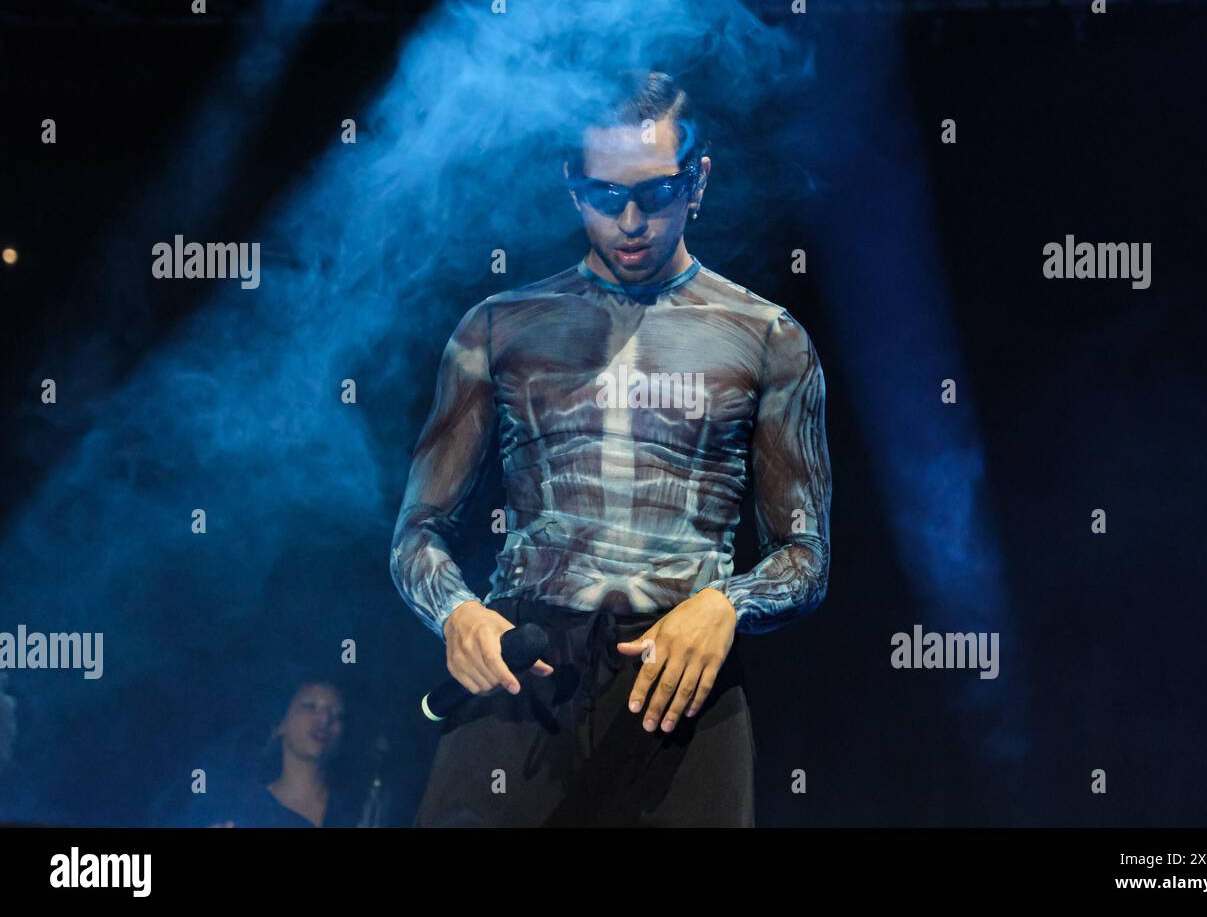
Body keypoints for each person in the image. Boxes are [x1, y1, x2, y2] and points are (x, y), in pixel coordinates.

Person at [390, 70, 831, 826]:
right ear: (571, 185)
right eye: (605, 195)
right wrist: (458, 614)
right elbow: (416, 533)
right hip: (526, 669)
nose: (630, 220)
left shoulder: (768, 338)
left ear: (698, 180)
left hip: (681, 680)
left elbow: (807, 555)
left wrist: (728, 602)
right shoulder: (498, 328)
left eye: (655, 194)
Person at [211, 676, 360, 828]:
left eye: (336, 714)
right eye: (310, 707)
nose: (325, 718)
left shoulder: (359, 808)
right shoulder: (248, 809)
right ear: (281, 723)